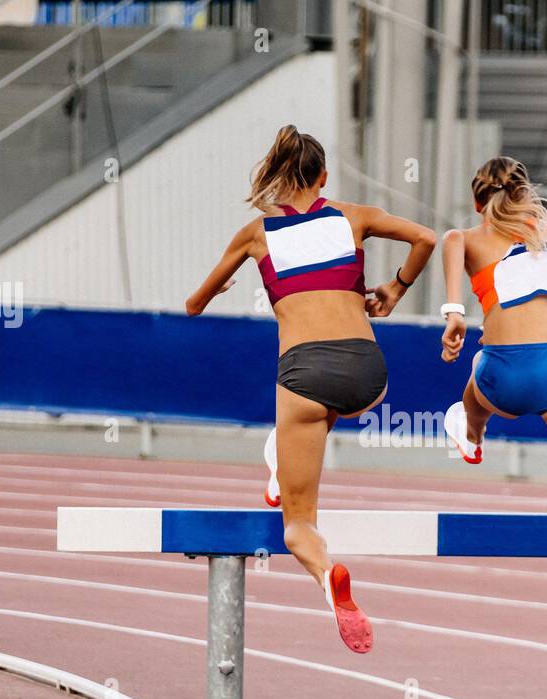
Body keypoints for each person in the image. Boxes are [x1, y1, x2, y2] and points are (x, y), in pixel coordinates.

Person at [185, 125, 436, 653]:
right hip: (369, 374)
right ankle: (279, 462)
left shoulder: (256, 234)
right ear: (323, 178)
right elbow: (426, 238)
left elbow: (193, 304)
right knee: (320, 416)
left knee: (297, 526)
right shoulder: (354, 216)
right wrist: (395, 287)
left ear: (276, 178)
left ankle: (328, 578)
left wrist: (221, 285)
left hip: (302, 373)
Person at [438, 156, 547, 575]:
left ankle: (473, 433)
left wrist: (455, 313)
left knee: (479, 366)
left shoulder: (465, 237)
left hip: (501, 373)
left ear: (478, 203)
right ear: (524, 193)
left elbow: (450, 248)